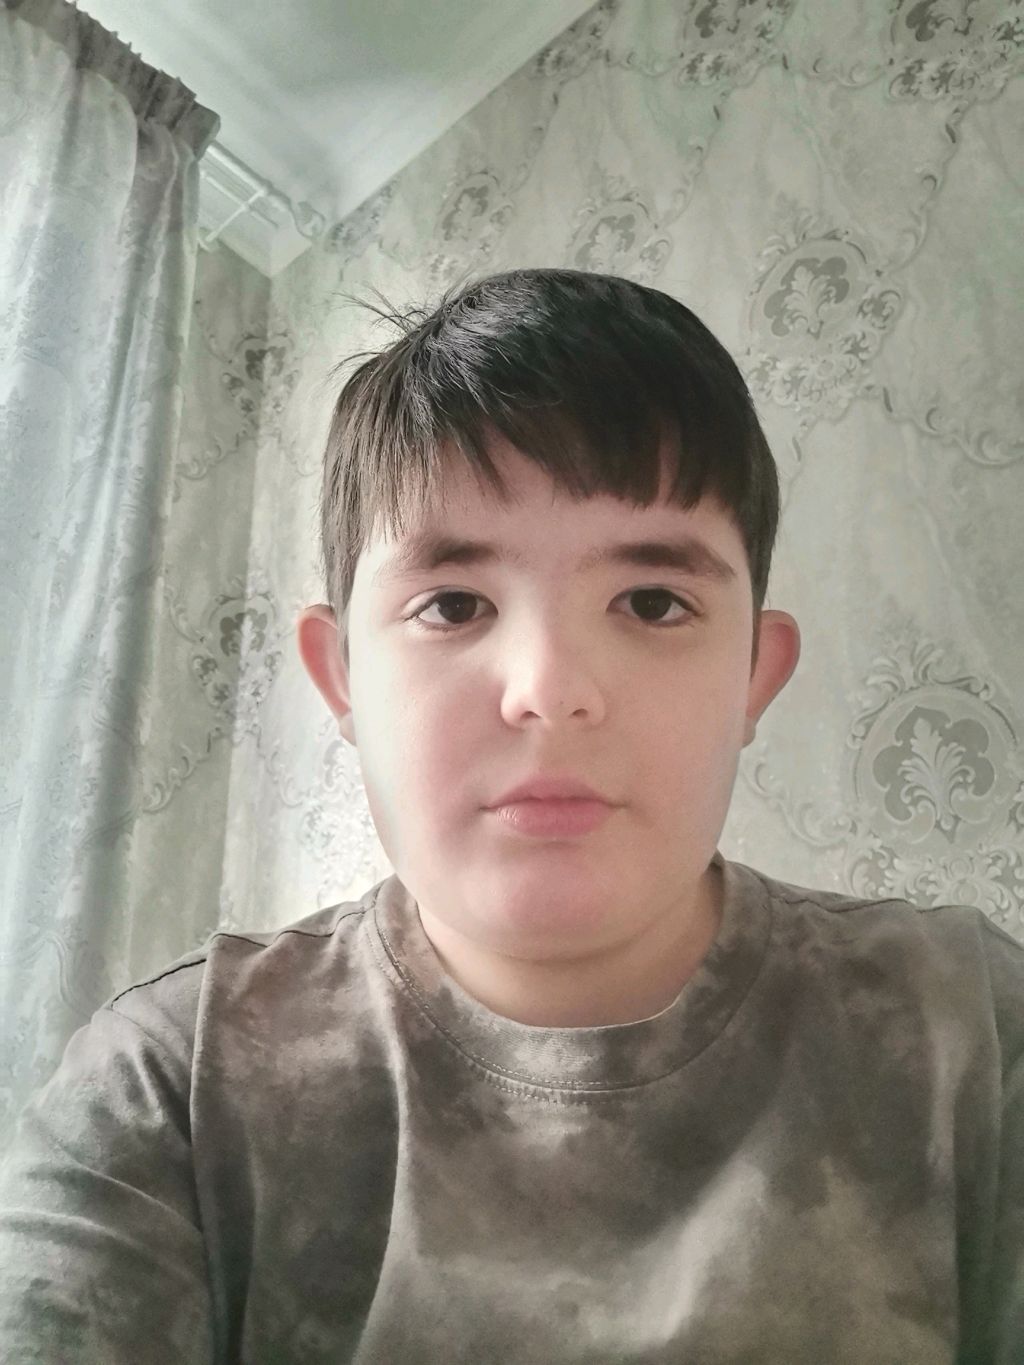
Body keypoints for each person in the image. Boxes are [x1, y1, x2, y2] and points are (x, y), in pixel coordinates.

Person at [0, 267, 1019, 1362]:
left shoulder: (965, 1027)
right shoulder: (172, 1090)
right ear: (342, 677)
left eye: (652, 601)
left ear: (752, 681)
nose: (549, 687)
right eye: (453, 604)